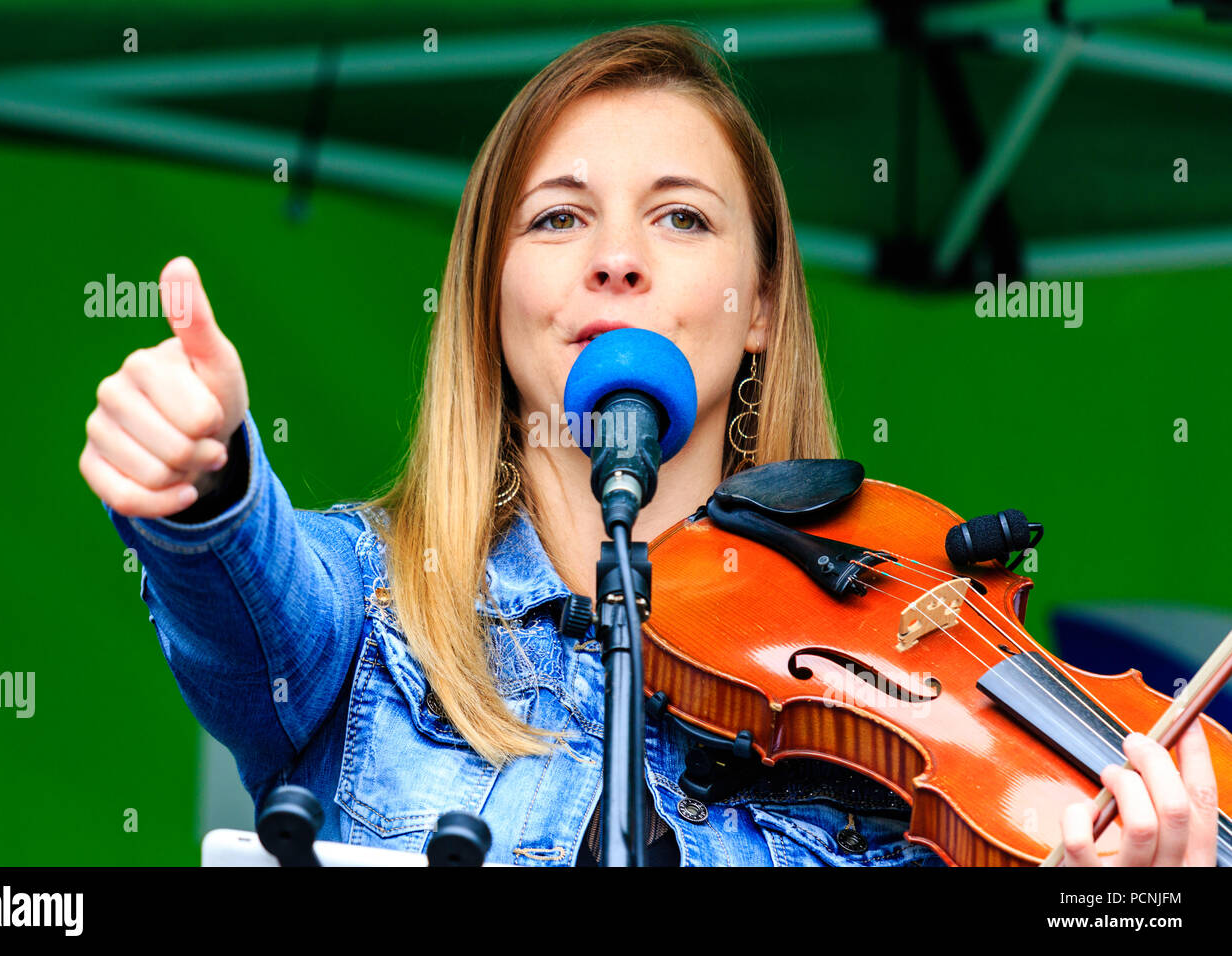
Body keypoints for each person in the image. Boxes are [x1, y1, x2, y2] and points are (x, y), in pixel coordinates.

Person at [79, 23, 1218, 867]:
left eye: (680, 216)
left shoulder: (895, 685)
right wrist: (208, 469)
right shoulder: (375, 607)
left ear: (761, 300)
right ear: (491, 296)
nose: (616, 258)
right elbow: (248, 594)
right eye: (558, 216)